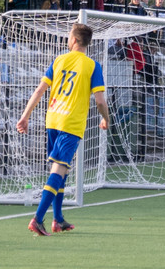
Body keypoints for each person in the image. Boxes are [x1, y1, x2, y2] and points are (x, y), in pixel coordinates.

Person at [16, 22, 110, 235]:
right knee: (59, 169)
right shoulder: (92, 66)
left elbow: (40, 91)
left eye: (69, 36)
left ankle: (57, 219)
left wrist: (25, 117)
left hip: (53, 121)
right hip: (71, 124)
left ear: (74, 40)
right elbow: (100, 102)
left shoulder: (59, 60)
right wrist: (106, 119)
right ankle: (38, 218)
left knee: (62, 169)